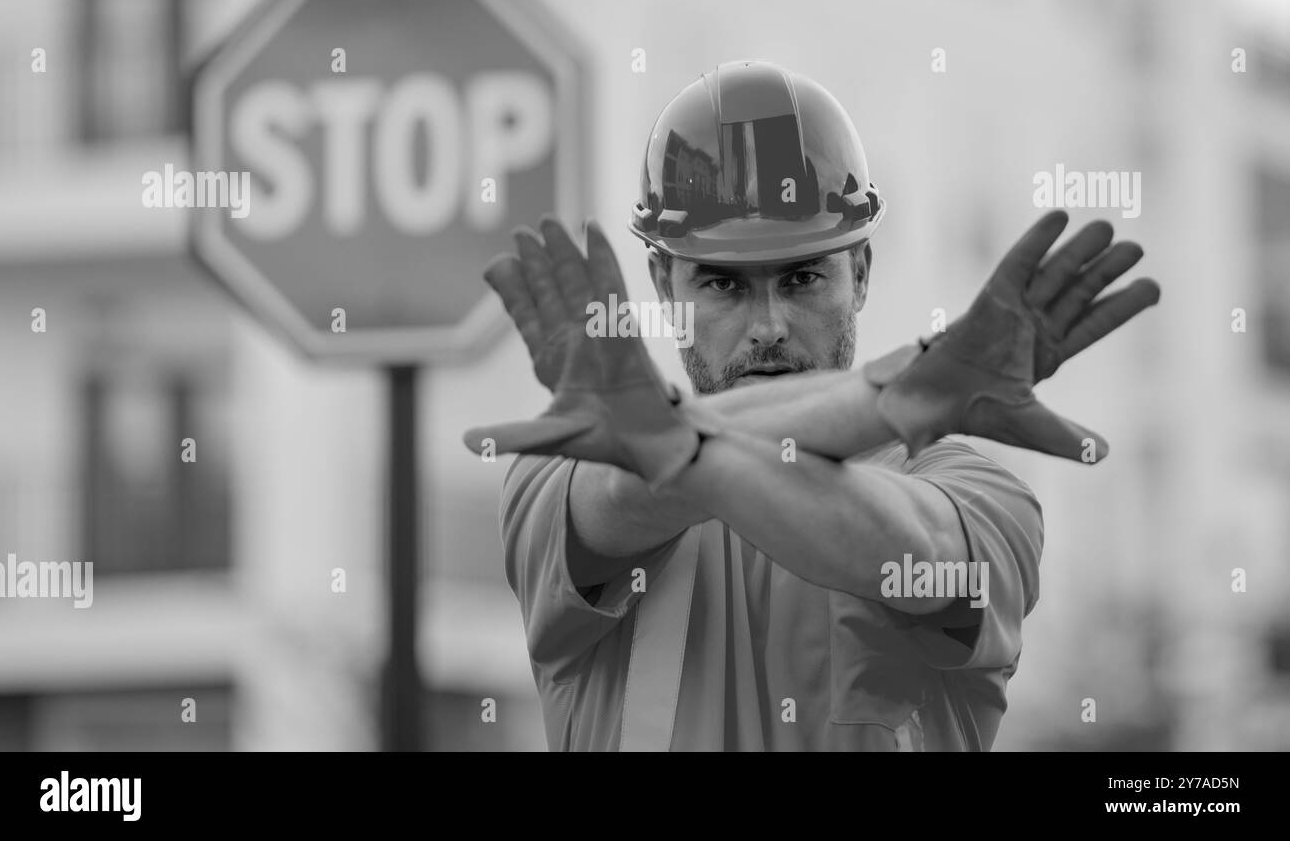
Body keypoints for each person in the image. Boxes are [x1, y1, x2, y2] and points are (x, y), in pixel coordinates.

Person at [464, 61, 1161, 751]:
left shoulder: (978, 492)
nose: (768, 325)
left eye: (801, 277)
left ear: (859, 273)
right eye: (723, 284)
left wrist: (674, 442)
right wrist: (893, 396)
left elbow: (921, 550)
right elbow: (619, 495)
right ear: (662, 283)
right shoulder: (570, 465)